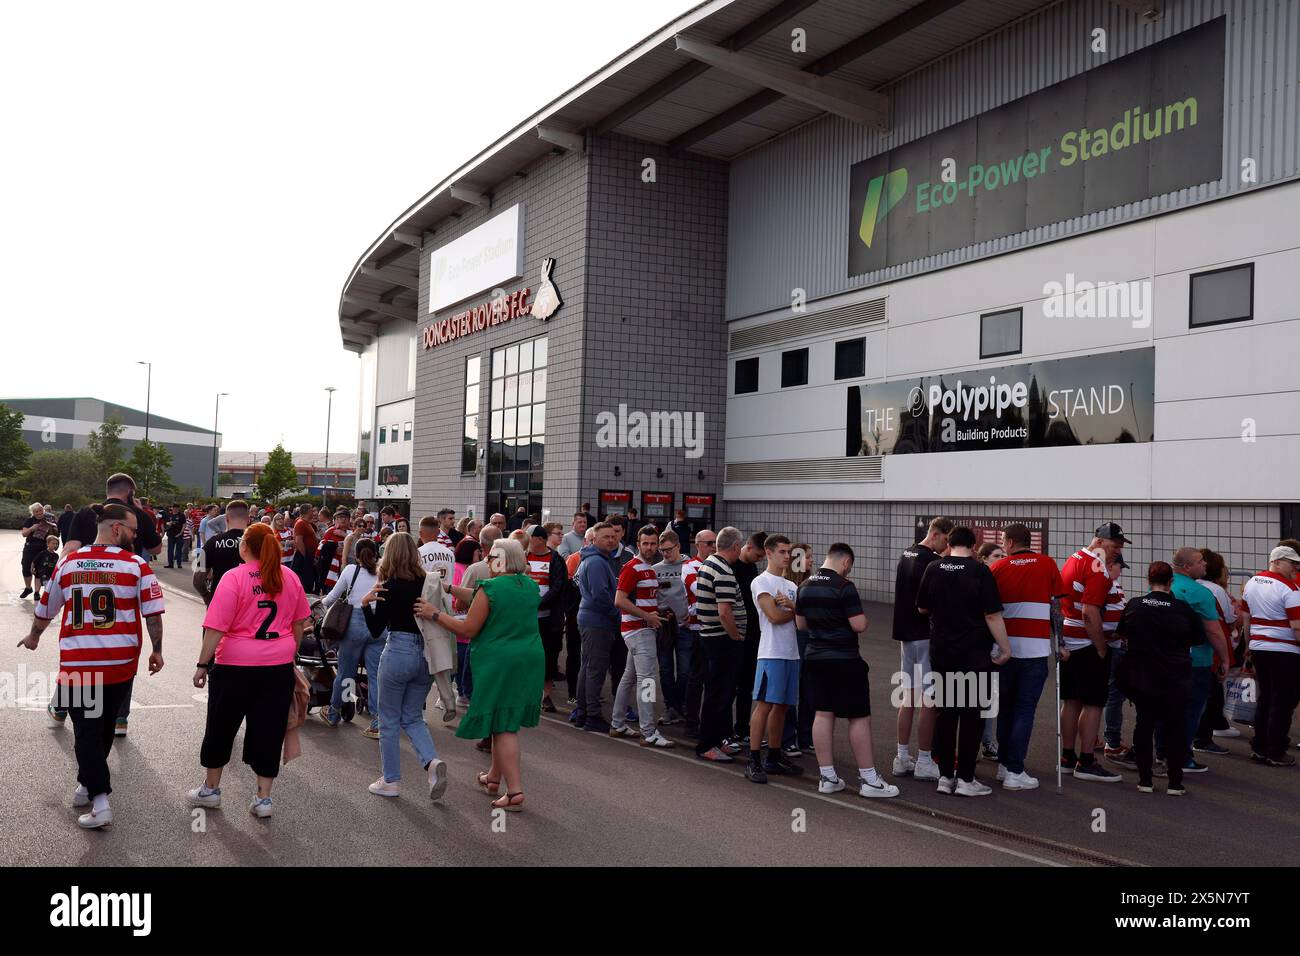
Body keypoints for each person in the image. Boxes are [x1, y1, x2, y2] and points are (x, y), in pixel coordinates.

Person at [19, 503, 165, 828]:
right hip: (121, 663)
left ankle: (100, 801)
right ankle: (88, 785)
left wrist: (33, 636)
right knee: (102, 730)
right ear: (116, 529)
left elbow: (46, 607)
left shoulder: (69, 563)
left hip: (80, 663)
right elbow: (152, 614)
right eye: (132, 530)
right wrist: (157, 650)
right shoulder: (137, 565)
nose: (135, 536)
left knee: (86, 733)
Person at [187, 522, 310, 819]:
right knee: (268, 729)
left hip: (234, 665)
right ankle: (263, 798)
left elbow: (216, 628)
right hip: (276, 666)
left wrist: (202, 664)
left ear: (245, 547)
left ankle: (211, 789)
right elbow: (299, 624)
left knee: (221, 726)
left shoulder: (234, 578)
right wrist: (287, 653)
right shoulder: (289, 577)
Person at [428, 538, 544, 812]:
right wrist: (448, 587)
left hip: (499, 660)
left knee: (503, 727)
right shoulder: (529, 585)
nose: (487, 559)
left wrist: (435, 614)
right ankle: (493, 778)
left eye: (491, 556)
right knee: (501, 719)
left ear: (501, 559)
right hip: (528, 658)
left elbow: (468, 628)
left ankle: (514, 792)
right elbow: (481, 596)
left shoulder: (491, 587)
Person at [59, 473, 164, 734]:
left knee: (78, 648)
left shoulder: (86, 513)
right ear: (130, 492)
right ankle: (120, 717)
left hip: (84, 587)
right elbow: (156, 549)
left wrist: (62, 577)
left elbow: (70, 549)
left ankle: (64, 705)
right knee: (122, 649)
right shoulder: (136, 516)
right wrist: (143, 515)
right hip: (122, 590)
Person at [794, 543, 899, 798]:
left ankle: (827, 777)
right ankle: (869, 779)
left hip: (815, 658)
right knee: (858, 716)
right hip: (844, 659)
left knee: (823, 713)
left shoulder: (804, 586)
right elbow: (859, 624)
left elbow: (801, 624)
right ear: (846, 562)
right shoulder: (844, 586)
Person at [916, 526, 1013, 796]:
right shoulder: (980, 571)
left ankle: (945, 777)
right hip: (973, 654)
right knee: (971, 717)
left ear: (949, 542)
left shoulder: (933, 568)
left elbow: (922, 607)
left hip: (942, 651)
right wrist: (1005, 648)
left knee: (946, 715)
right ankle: (967, 779)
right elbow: (992, 615)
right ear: (973, 545)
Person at [352, 533, 447, 799]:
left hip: (398, 650)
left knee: (389, 719)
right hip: (425, 652)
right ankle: (431, 762)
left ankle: (390, 780)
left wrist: (365, 604)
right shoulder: (426, 583)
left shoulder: (388, 587)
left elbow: (375, 630)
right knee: (413, 716)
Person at [1115, 561, 1204, 795]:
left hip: (1143, 677)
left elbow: (1122, 632)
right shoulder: (1182, 609)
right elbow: (1198, 638)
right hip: (1175, 677)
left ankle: (1145, 780)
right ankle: (1175, 782)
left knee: (1144, 725)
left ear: (1148, 580)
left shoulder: (1135, 605)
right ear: (1170, 582)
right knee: (1175, 728)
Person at [988, 523, 1065, 790]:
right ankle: (1015, 770)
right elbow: (1057, 607)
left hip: (1005, 649)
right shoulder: (1047, 564)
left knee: (1006, 708)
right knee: (1024, 709)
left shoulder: (997, 568)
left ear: (1008, 542)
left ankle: (1004, 765)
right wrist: (1061, 644)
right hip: (1035, 650)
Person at [1058, 524, 1128, 781]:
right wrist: (1100, 647)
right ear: (1099, 541)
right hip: (1087, 644)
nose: (1117, 551)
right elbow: (1090, 612)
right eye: (1115, 545)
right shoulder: (1098, 569)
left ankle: (1068, 756)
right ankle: (1086, 760)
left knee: (1072, 701)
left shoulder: (1075, 557)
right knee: (1093, 703)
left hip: (1070, 640)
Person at [891, 517, 952, 780]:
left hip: (906, 636)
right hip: (925, 635)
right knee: (929, 700)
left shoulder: (907, 553)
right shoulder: (931, 561)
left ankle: (902, 757)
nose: (947, 546)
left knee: (909, 697)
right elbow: (930, 603)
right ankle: (925, 760)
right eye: (946, 541)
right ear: (936, 534)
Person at [609, 525, 675, 747]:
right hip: (638, 630)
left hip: (640, 629)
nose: (649, 547)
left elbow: (640, 599)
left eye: (653, 543)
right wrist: (648, 616)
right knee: (647, 680)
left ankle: (617, 723)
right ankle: (648, 731)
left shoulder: (647, 567)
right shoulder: (633, 567)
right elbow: (619, 600)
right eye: (645, 543)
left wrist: (653, 613)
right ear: (638, 544)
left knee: (630, 677)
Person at [745, 535, 803, 782]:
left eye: (788, 552)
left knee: (782, 706)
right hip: (771, 652)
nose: (787, 556)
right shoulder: (761, 581)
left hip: (791, 653)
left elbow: (802, 622)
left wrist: (793, 607)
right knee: (765, 705)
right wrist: (794, 610)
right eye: (782, 552)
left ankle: (774, 757)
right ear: (768, 553)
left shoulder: (792, 586)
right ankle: (754, 759)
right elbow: (774, 616)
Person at [1240, 545, 1300, 766]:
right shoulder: (1290, 590)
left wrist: (1249, 646)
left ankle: (1259, 746)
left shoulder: (1252, 583)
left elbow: (1247, 619)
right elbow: (1297, 627)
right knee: (1282, 701)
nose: (1296, 566)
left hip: (1259, 647)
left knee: (1266, 697)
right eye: (1291, 562)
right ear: (1276, 561)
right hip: (1286, 651)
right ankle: (1276, 750)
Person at [694, 527, 748, 762]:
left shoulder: (709, 563)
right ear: (735, 547)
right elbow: (725, 612)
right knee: (718, 694)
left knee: (719, 693)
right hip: (721, 639)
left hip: (710, 637)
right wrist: (736, 636)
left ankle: (716, 740)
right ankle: (707, 744)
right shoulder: (724, 570)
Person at [317, 538, 382, 727]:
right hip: (378, 625)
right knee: (375, 674)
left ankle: (335, 711)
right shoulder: (384, 571)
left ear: (356, 553)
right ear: (376, 552)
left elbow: (330, 599)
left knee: (346, 671)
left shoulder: (350, 571)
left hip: (355, 624)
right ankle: (377, 719)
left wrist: (317, 603)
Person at [573, 522, 621, 734]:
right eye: (606, 537)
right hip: (597, 621)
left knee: (588, 667)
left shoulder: (596, 559)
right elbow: (601, 595)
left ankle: (584, 712)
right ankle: (592, 714)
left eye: (613, 536)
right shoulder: (596, 562)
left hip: (592, 619)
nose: (611, 540)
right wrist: (617, 614)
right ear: (594, 539)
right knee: (595, 670)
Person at [1192, 550, 1239, 754]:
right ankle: (1203, 737)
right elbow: (1228, 619)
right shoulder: (1215, 591)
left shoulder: (1185, 586)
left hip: (1189, 649)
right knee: (1211, 692)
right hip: (1212, 647)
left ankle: (1207, 731)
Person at [458, 526, 503, 719]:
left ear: (482, 546)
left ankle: (475, 703)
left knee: (470, 670)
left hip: (477, 631)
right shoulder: (515, 572)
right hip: (503, 632)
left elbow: (460, 602)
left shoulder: (475, 569)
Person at [778, 542, 816, 758]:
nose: (811, 561)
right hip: (791, 639)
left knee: (808, 689)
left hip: (808, 639)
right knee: (792, 689)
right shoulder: (784, 583)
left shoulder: (813, 583)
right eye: (808, 557)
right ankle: (788, 738)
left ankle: (806, 736)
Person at [525, 524, 568, 713]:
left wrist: (539, 603)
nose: (527, 542)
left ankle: (546, 696)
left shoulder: (555, 559)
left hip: (549, 619)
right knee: (527, 656)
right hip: (526, 619)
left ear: (540, 539)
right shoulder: (523, 556)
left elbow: (558, 587)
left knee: (548, 657)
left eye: (530, 538)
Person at [653, 529, 693, 727]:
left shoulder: (690, 565)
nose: (665, 554)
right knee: (666, 669)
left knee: (685, 670)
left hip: (685, 625)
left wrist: (692, 614)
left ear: (678, 546)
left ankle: (682, 705)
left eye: (669, 550)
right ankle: (671, 706)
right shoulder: (656, 569)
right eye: (662, 551)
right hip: (665, 625)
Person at [730, 531, 765, 751]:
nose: (760, 559)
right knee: (730, 686)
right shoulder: (732, 567)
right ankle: (728, 731)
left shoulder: (752, 568)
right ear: (748, 547)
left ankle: (742, 729)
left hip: (753, 634)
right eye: (759, 555)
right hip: (736, 634)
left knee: (747, 686)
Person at [976, 540, 1007, 762]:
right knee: (971, 698)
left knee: (990, 698)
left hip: (995, 644)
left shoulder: (1001, 580)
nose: (1001, 558)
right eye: (997, 555)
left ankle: (988, 742)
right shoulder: (978, 578)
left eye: (1003, 555)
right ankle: (973, 743)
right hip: (978, 646)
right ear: (984, 558)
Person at [192, 500, 250, 606]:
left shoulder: (213, 542)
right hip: (251, 604)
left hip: (220, 601)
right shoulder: (258, 542)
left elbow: (197, 579)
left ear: (226, 518)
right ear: (248, 519)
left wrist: (206, 596)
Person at [19, 503, 60, 598]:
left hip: (43, 548)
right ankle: (28, 588)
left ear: (43, 510)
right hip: (30, 547)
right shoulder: (30, 520)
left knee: (40, 570)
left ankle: (36, 592)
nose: (39, 513)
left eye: (40, 510)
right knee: (26, 568)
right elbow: (24, 534)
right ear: (33, 513)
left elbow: (56, 535)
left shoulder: (49, 519)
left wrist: (53, 529)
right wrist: (31, 528)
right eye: (36, 511)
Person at [292, 505, 319, 594]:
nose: (314, 513)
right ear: (307, 512)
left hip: (308, 556)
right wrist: (306, 556)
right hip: (303, 557)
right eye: (312, 511)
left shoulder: (307, 523)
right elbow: (298, 541)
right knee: (305, 581)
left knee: (310, 581)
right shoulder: (300, 523)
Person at [33, 534, 61, 601]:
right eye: (53, 543)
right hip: (43, 572)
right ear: (47, 543)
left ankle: (47, 596)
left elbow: (57, 565)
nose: (55, 545)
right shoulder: (43, 553)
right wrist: (32, 568)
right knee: (47, 585)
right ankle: (42, 596)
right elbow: (34, 561)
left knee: (50, 585)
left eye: (56, 544)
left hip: (51, 573)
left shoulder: (56, 555)